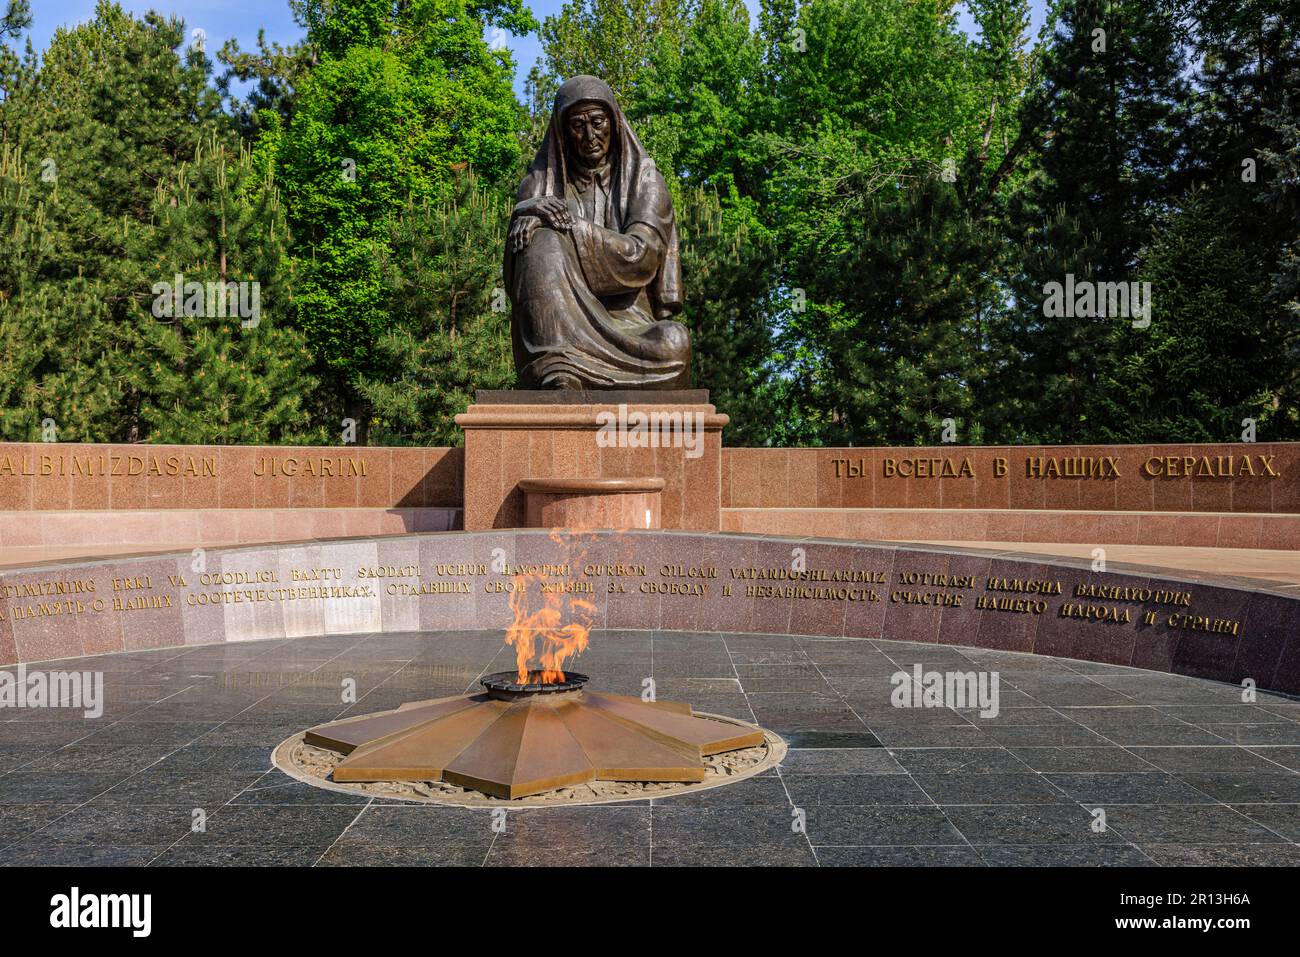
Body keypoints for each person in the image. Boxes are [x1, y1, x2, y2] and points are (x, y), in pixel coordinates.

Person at [504, 74, 692, 390]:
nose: (590, 135)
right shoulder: (538, 187)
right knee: (538, 240)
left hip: (630, 326)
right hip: (559, 332)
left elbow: (640, 257)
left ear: (613, 123)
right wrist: (525, 214)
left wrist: (567, 225)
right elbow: (519, 279)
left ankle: (578, 368)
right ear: (563, 134)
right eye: (578, 125)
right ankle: (559, 369)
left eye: (597, 122)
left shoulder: (645, 182)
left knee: (674, 341)